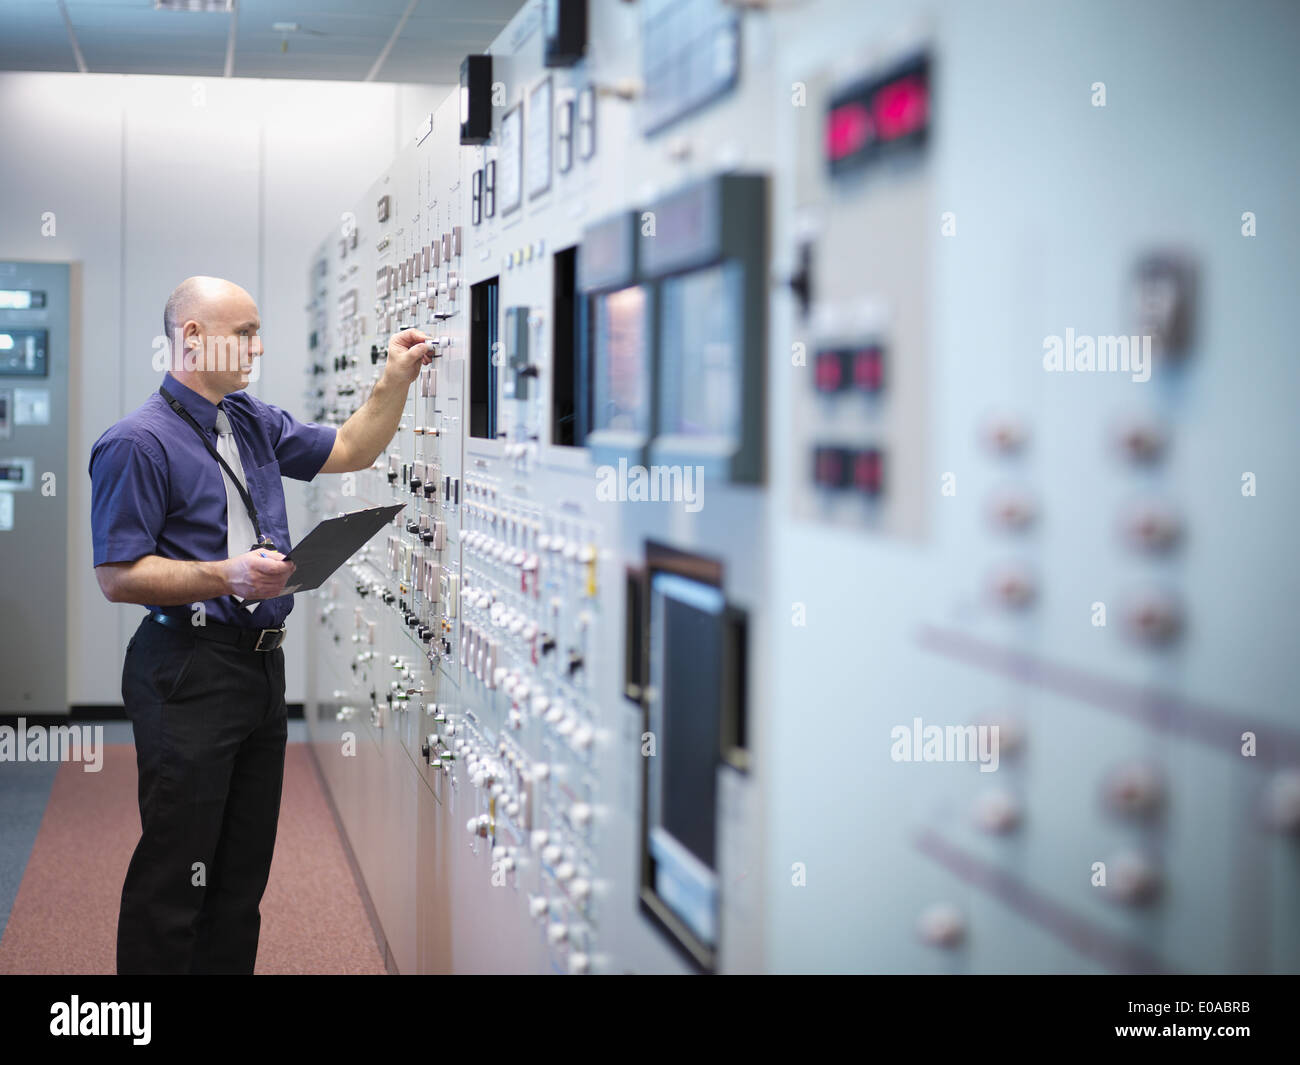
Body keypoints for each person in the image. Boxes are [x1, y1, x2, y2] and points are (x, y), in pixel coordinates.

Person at [90, 275, 429, 974]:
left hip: (258, 669)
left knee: (240, 878)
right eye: (244, 333)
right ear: (192, 337)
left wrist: (394, 378)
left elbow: (351, 449)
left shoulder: (248, 419)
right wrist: (228, 575)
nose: (258, 346)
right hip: (187, 667)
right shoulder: (136, 443)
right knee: (176, 873)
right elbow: (118, 576)